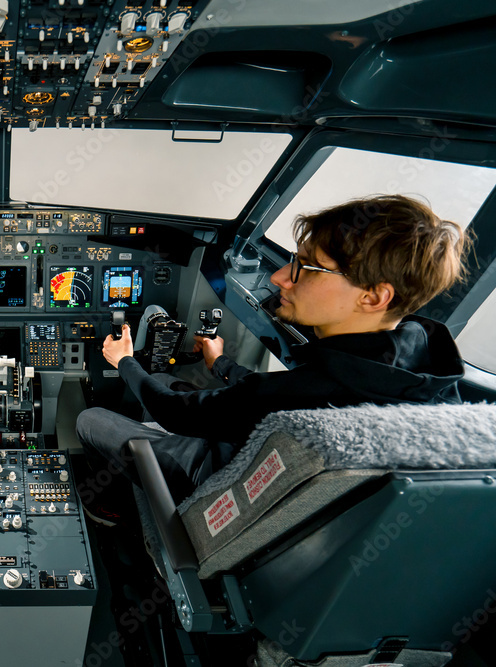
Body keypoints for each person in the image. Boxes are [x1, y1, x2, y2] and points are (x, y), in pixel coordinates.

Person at [77, 194, 469, 522]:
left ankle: (113, 510)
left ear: (372, 297)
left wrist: (124, 361)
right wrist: (220, 365)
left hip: (222, 483)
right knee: (160, 381)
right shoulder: (415, 366)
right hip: (257, 463)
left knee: (90, 419)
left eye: (306, 268)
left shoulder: (317, 387)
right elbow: (273, 393)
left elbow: (178, 414)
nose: (281, 277)